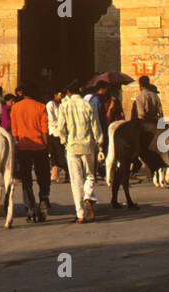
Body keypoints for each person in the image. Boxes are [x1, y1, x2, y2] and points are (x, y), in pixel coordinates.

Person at [56, 81, 101, 222]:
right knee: (90, 175)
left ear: (68, 93)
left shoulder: (64, 106)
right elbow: (95, 126)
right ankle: (88, 196)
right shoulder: (88, 105)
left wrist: (64, 140)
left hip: (71, 147)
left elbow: (61, 127)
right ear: (80, 91)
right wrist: (99, 142)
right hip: (87, 145)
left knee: (76, 180)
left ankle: (80, 214)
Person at [10, 86, 51, 222]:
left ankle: (30, 207)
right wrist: (46, 145)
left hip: (23, 146)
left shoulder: (15, 108)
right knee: (43, 175)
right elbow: (44, 129)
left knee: (26, 178)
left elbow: (14, 130)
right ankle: (44, 197)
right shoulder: (41, 107)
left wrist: (16, 143)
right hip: (39, 146)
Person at [46, 90, 67, 183]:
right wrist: (60, 125)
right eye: (59, 95)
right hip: (53, 132)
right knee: (55, 154)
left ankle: (56, 174)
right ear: (55, 95)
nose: (61, 96)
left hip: (61, 133)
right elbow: (51, 119)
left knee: (59, 153)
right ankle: (57, 173)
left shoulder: (62, 104)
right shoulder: (50, 104)